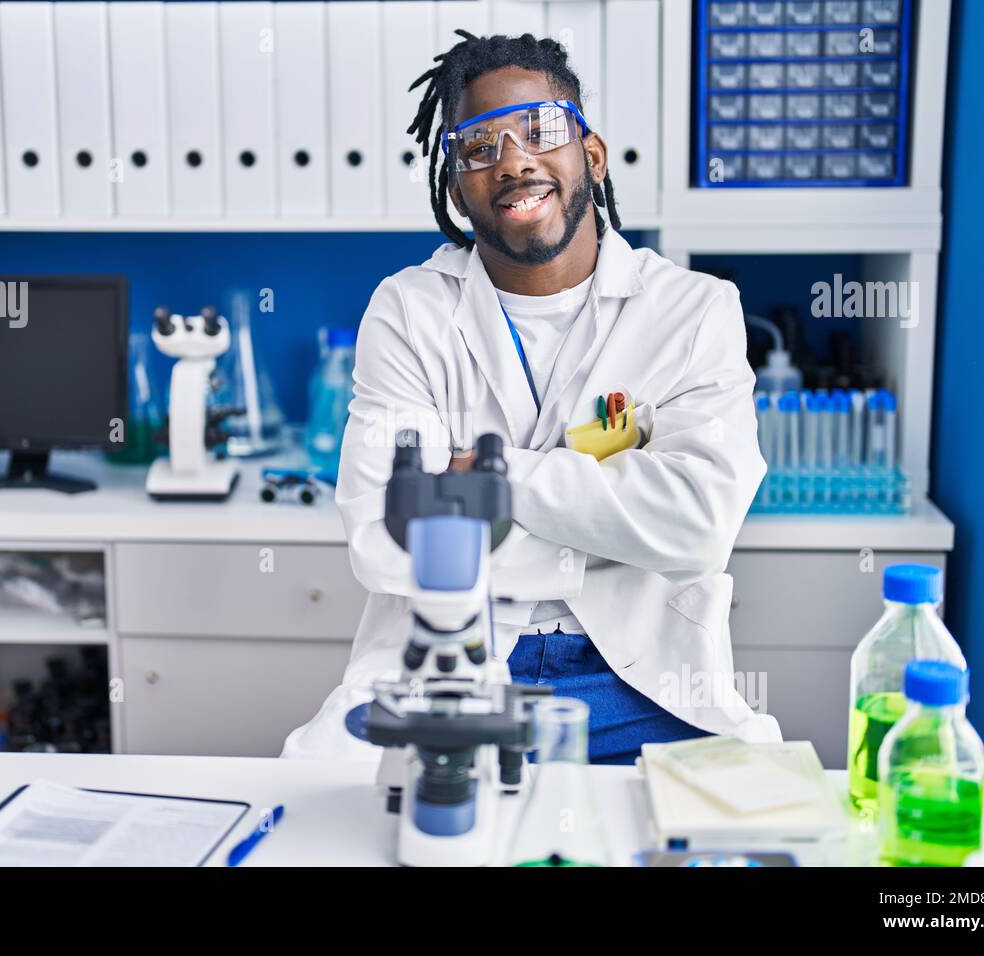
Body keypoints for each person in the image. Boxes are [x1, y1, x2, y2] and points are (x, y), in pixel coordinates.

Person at [283, 31, 780, 763]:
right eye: (479, 147)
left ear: (593, 154)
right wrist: (608, 526)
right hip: (447, 677)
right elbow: (383, 542)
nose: (513, 160)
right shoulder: (409, 309)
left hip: (644, 685)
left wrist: (481, 479)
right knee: (323, 810)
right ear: (457, 184)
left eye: (542, 130)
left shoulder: (693, 310)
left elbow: (698, 527)